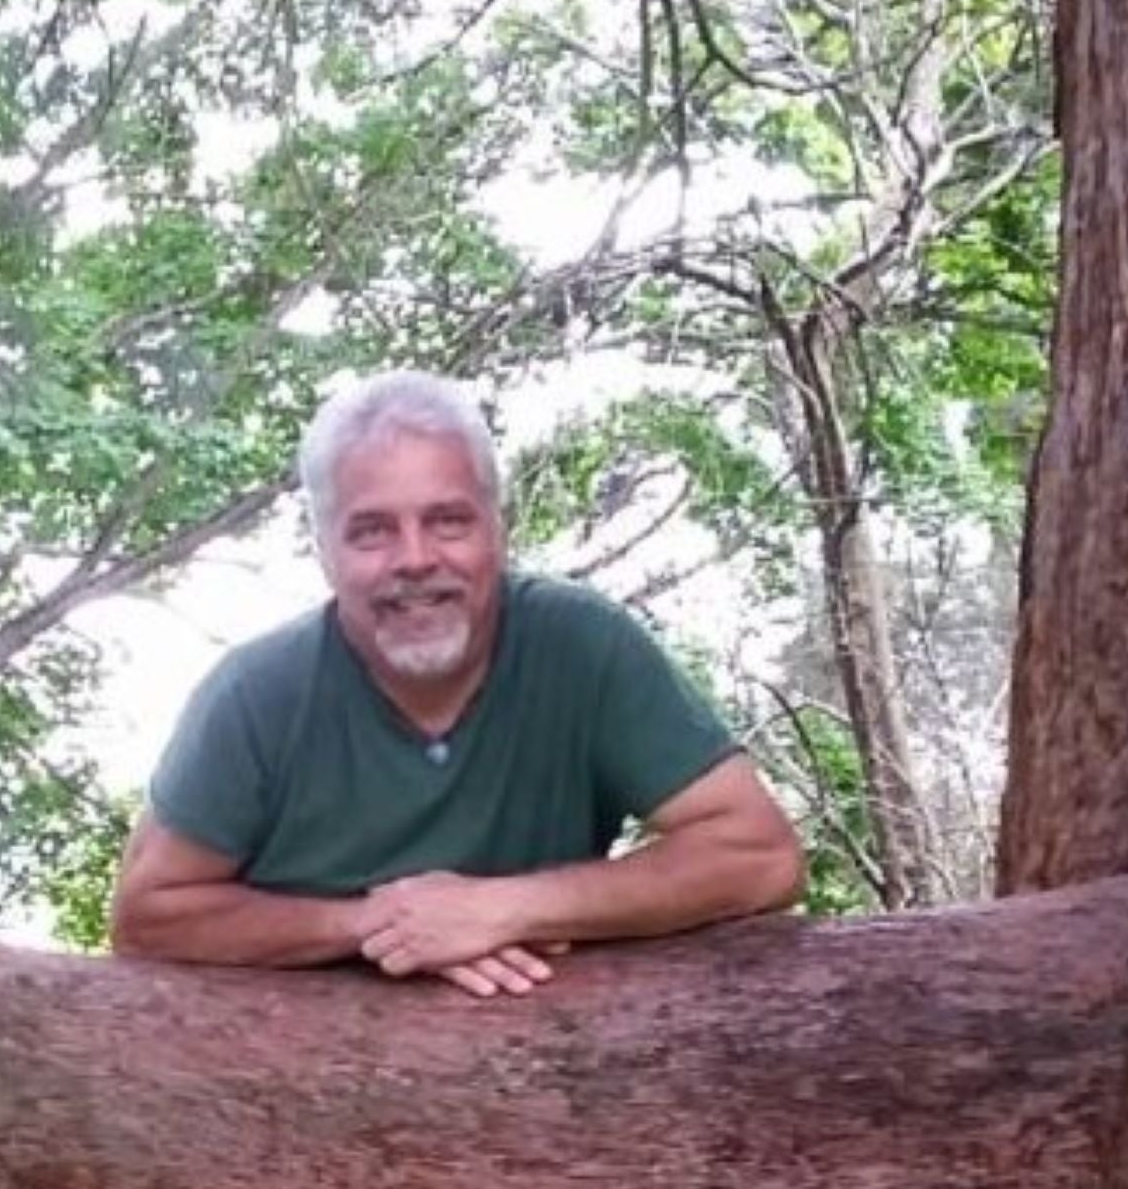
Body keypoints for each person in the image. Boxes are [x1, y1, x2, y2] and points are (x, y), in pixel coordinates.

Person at [110, 369, 804, 997]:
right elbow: (149, 918)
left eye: (447, 522)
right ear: (325, 551)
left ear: (497, 529)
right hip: (289, 1076)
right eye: (372, 532)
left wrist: (501, 908)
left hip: (545, 1065)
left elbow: (760, 856)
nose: (415, 559)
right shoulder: (255, 694)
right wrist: (379, 925)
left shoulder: (581, 645)